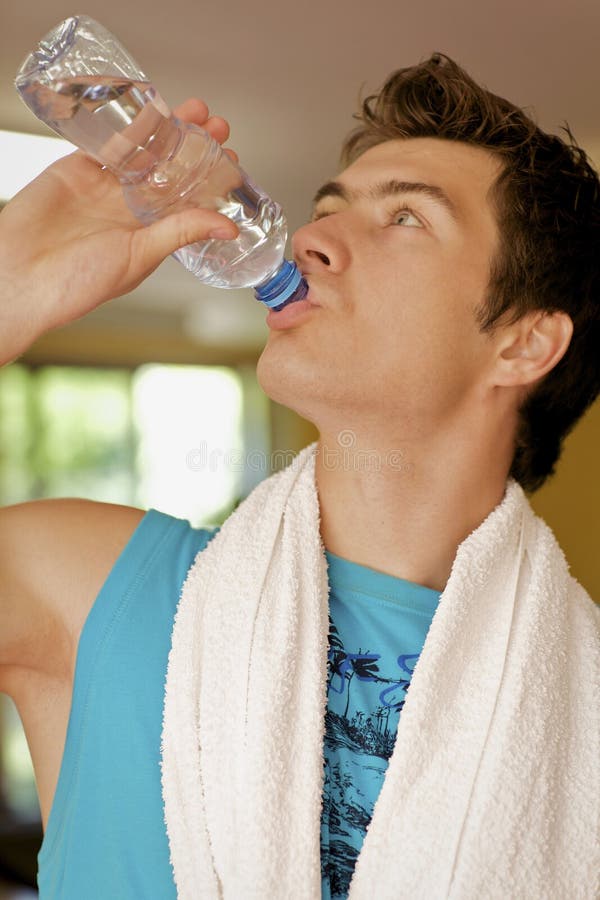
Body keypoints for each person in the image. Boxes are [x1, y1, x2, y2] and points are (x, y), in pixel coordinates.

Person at [0, 54, 598, 899]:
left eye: (405, 218)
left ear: (524, 344)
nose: (310, 240)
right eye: (327, 210)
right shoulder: (87, 589)